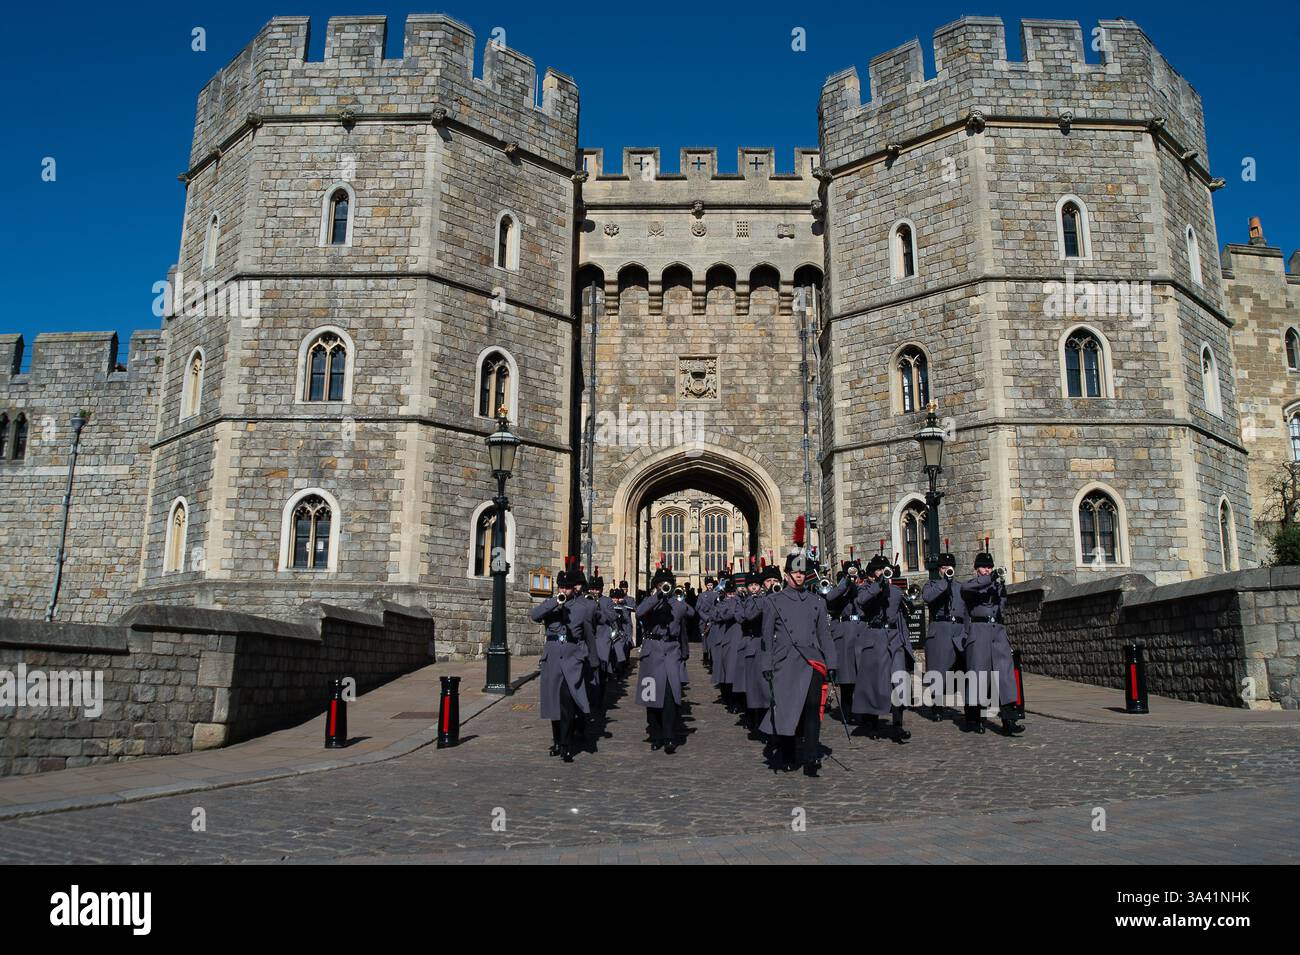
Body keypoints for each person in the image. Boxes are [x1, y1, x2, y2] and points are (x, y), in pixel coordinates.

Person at [758, 550, 838, 776]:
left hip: (812, 662)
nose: (799, 576)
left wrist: (832, 663)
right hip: (785, 663)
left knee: (812, 709)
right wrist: (767, 665)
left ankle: (811, 756)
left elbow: (825, 635)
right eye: (795, 572)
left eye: (802, 572)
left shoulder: (817, 602)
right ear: (786, 575)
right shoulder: (773, 601)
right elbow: (766, 638)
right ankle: (788, 753)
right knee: (787, 710)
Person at [530, 566, 596, 761]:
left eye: (567, 588)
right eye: (561, 587)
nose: (564, 591)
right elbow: (535, 615)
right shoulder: (551, 604)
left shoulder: (582, 608)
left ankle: (567, 745)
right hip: (552, 659)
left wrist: (592, 660)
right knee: (553, 704)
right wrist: (553, 604)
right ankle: (557, 741)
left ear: (573, 589)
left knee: (566, 703)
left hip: (571, 658)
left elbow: (588, 635)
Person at [960, 553, 1023, 736]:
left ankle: (1009, 720)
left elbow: (1002, 605)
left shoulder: (996, 586)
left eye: (989, 567)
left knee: (1005, 677)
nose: (987, 569)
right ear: (977, 569)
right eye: (983, 567)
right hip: (978, 632)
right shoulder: (971, 584)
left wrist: (998, 585)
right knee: (978, 677)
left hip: (997, 631)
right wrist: (989, 579)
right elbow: (967, 589)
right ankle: (974, 719)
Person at [635, 565, 696, 753]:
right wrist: (657, 596)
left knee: (670, 697)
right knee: (651, 697)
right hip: (652, 653)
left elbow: (692, 614)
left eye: (667, 584)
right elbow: (638, 612)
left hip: (671, 652)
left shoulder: (677, 605)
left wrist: (677, 598)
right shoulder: (650, 602)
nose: (665, 587)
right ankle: (656, 735)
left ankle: (669, 737)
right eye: (661, 584)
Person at [851, 555, 912, 742]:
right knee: (875, 684)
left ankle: (898, 725)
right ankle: (873, 723)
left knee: (899, 680)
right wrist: (878, 586)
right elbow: (860, 602)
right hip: (875, 638)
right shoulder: (866, 589)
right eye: (879, 570)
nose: (882, 573)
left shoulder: (895, 590)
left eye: (884, 569)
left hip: (894, 639)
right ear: (871, 574)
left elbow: (907, 610)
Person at [920, 552, 965, 720]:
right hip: (940, 630)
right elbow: (928, 597)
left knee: (965, 671)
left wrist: (966, 632)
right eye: (944, 568)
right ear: (939, 570)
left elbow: (966, 612)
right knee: (938, 672)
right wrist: (944, 582)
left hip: (958, 631)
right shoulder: (931, 585)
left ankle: (972, 710)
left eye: (950, 568)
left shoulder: (960, 587)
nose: (947, 570)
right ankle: (937, 706)